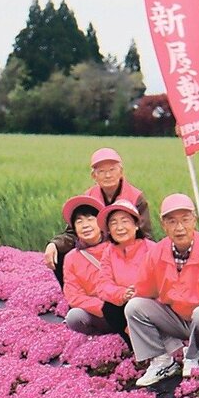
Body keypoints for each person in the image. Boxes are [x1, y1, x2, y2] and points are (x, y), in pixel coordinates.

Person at [126, 194, 199, 386]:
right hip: (179, 320)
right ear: (163, 225)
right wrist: (135, 327)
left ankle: (196, 356)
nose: (179, 227)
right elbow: (144, 291)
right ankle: (162, 362)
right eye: (172, 222)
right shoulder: (155, 253)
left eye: (185, 220)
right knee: (134, 306)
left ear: (194, 220)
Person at [43, 147, 152, 284]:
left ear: (121, 172)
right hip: (94, 249)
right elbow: (73, 232)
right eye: (101, 171)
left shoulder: (136, 197)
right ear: (94, 176)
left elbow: (145, 235)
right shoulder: (88, 196)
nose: (108, 175)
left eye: (112, 170)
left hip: (123, 249)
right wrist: (54, 244)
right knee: (59, 252)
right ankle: (73, 292)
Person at [96, 199, 156, 343]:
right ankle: (134, 345)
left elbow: (163, 281)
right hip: (125, 301)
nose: (119, 227)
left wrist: (139, 292)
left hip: (151, 303)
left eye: (125, 221)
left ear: (136, 225)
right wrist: (122, 293)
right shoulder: (108, 252)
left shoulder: (152, 248)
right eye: (113, 223)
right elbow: (103, 284)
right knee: (109, 309)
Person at [60, 195, 113, 335]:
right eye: (79, 221)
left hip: (125, 307)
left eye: (90, 219)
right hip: (100, 314)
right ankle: (102, 339)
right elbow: (74, 295)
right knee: (74, 317)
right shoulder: (71, 258)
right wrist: (104, 308)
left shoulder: (116, 247)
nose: (85, 225)